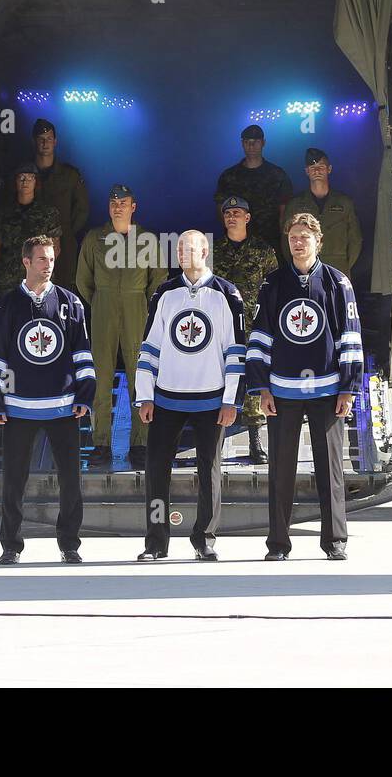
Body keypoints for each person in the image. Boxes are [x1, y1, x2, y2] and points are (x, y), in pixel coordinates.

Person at [246, 212, 363, 561]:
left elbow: (350, 337)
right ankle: (278, 544)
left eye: (305, 237)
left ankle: (335, 541)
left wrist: (348, 388)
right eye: (294, 237)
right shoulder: (273, 284)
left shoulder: (337, 283)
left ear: (318, 241)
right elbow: (260, 337)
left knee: (330, 470)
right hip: (282, 391)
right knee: (281, 471)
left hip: (328, 392)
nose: (298, 242)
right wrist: (261, 388)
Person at [0, 235, 95, 565]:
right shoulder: (6, 305)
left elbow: (82, 354)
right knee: (14, 480)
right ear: (26, 262)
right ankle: (11, 546)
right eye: (42, 259)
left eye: (52, 259)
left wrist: (84, 397)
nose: (48, 265)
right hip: (18, 407)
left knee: (70, 480)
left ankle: (69, 544)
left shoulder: (71, 303)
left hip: (63, 406)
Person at [134, 230, 245, 562]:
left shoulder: (227, 294)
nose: (183, 253)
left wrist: (231, 399)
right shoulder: (165, 293)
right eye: (179, 248)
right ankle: (155, 541)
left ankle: (205, 538)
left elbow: (235, 350)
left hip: (211, 400)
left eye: (189, 248)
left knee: (209, 470)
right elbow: (150, 345)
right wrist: (145, 395)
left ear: (205, 250)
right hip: (166, 398)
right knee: (156, 470)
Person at [76, 183, 167, 467]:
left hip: (136, 307)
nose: (118, 207)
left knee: (139, 375)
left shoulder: (147, 240)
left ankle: (140, 443)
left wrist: (143, 304)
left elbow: (159, 278)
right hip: (102, 307)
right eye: (114, 202)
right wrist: (100, 301)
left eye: (123, 203)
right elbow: (83, 279)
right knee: (100, 377)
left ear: (133, 207)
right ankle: (101, 443)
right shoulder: (95, 238)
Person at [210, 195, 277, 463]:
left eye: (237, 212)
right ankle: (213, 439)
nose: (232, 217)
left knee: (255, 377)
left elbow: (274, 289)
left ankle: (255, 439)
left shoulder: (263, 250)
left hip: (254, 325)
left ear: (247, 218)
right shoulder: (213, 250)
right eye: (228, 213)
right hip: (221, 326)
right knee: (218, 378)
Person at [213, 124, 293, 262]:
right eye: (247, 142)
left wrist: (284, 242)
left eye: (255, 142)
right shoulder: (229, 176)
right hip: (238, 244)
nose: (251, 146)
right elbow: (221, 209)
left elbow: (285, 213)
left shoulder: (277, 175)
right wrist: (233, 233)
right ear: (242, 144)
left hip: (271, 242)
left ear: (263, 143)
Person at [281, 148, 363, 278]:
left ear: (329, 169)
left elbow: (355, 240)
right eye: (312, 167)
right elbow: (285, 241)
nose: (317, 171)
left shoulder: (344, 202)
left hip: (338, 267)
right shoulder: (295, 205)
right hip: (305, 269)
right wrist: (297, 264)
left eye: (321, 166)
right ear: (307, 171)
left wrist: (344, 266)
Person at [31, 118, 90, 291]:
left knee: (62, 290)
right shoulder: (25, 174)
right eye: (41, 139)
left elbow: (82, 209)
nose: (45, 143)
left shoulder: (69, 175)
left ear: (55, 141)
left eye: (49, 138)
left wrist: (66, 231)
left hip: (62, 246)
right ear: (34, 141)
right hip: (30, 243)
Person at [0, 161, 62, 294]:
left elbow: (55, 249)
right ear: (15, 182)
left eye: (30, 178)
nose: (25, 182)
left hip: (39, 282)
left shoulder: (48, 213)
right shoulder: (3, 213)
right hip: (9, 282)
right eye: (21, 177)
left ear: (36, 182)